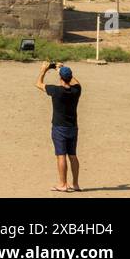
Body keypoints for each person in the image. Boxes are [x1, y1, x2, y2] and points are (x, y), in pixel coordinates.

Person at [36, 61, 82, 192]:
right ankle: (76, 184)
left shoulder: (56, 91)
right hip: (73, 127)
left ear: (60, 78)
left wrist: (44, 70)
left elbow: (38, 83)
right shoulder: (76, 90)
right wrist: (62, 69)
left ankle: (62, 183)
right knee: (72, 155)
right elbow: (77, 83)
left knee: (61, 155)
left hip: (59, 127)